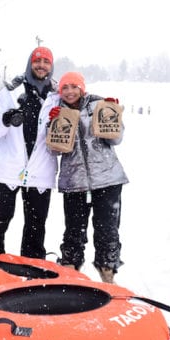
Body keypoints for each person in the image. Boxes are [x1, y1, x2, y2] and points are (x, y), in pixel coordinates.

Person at [44, 71, 129, 283]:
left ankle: (108, 273)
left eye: (74, 87)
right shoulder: (57, 111)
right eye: (65, 88)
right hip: (74, 181)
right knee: (74, 229)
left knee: (107, 230)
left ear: (82, 88)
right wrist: (52, 124)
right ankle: (71, 272)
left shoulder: (98, 104)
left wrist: (112, 114)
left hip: (107, 178)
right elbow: (54, 150)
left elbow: (116, 140)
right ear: (60, 91)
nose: (70, 91)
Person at [0, 46, 58, 258]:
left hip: (41, 169)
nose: (41, 66)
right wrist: (5, 119)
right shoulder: (11, 91)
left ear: (51, 66)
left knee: (36, 226)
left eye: (46, 62)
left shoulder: (57, 95)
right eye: (37, 61)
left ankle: (32, 268)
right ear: (30, 63)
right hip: (9, 167)